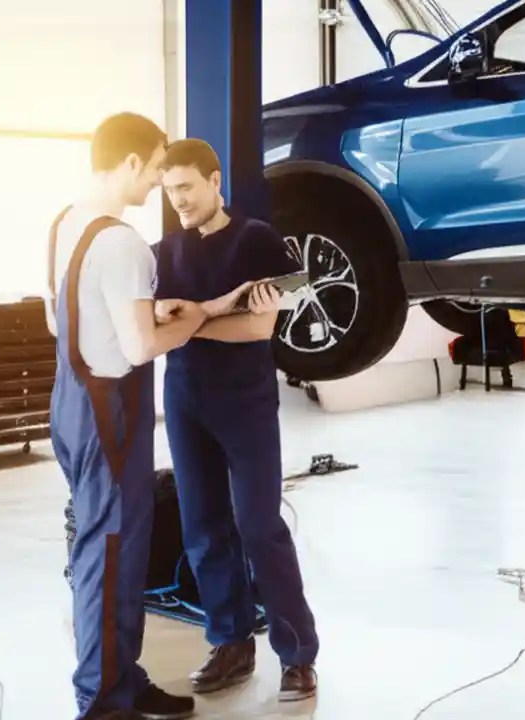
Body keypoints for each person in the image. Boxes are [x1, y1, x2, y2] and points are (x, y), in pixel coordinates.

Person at [46, 114, 246, 720]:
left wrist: (143, 315)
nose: (162, 180)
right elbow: (137, 350)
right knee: (110, 555)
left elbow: (62, 319)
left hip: (72, 400)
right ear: (133, 163)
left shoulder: (65, 222)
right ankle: (103, 700)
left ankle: (122, 678)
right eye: (159, 166)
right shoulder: (125, 241)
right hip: (112, 409)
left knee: (107, 548)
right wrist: (201, 314)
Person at [152, 138, 320, 703]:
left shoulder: (256, 240)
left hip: (244, 401)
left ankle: (297, 655)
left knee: (258, 525)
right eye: (169, 190)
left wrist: (190, 319)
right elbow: (154, 325)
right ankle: (230, 643)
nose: (178, 200)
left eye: (186, 188)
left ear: (214, 180)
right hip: (184, 398)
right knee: (202, 525)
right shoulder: (163, 252)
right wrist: (213, 311)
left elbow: (258, 329)